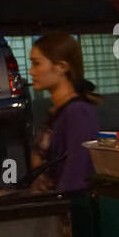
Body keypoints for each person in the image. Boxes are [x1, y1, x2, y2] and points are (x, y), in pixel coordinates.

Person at [27, 33, 100, 193]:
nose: (31, 71)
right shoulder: (57, 111)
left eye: (37, 63)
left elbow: (76, 175)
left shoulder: (78, 112)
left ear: (61, 67)